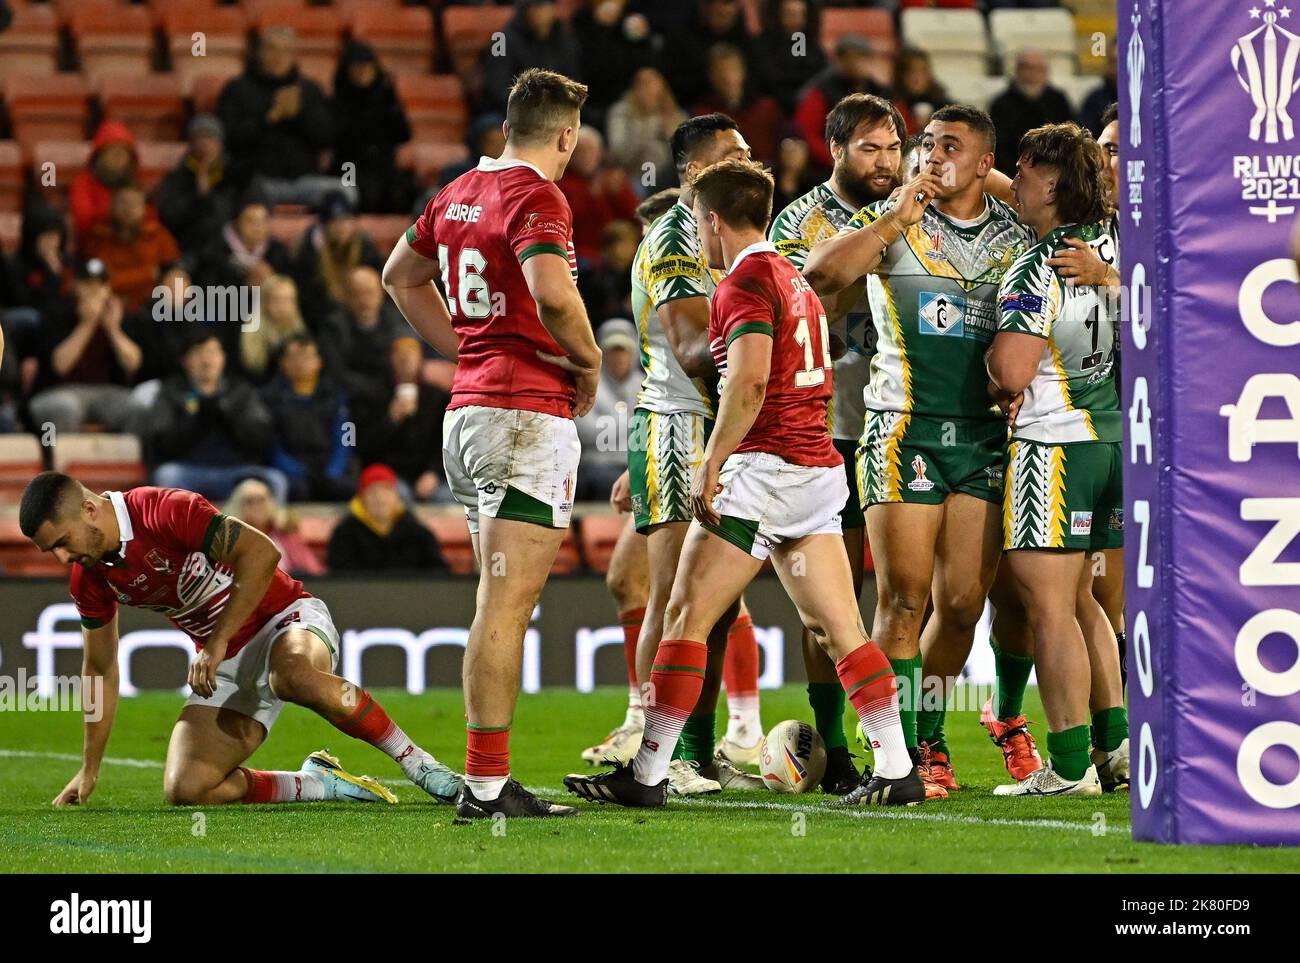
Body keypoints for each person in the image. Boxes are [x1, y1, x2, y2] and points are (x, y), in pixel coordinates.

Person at [565, 159, 921, 808]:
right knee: (839, 629)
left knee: (684, 613)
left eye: (697, 221)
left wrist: (713, 458)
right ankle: (897, 766)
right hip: (815, 473)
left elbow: (751, 381)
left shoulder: (742, 284)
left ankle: (646, 775)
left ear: (713, 221)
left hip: (762, 472)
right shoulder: (792, 275)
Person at [381, 68, 601, 819]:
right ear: (565, 134)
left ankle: (489, 779)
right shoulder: (539, 196)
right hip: (522, 417)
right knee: (505, 607)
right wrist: (590, 359)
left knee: (497, 602)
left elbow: (399, 277)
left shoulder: (455, 193)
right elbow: (550, 291)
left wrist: (466, 350)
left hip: (470, 412)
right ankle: (484, 786)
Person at [802, 105, 1033, 798]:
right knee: (904, 599)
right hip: (903, 429)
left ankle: (928, 733)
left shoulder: (1015, 234)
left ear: (985, 157)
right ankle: (900, 756)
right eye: (926, 143)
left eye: (951, 145)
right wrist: (891, 219)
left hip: (986, 434)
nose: (933, 155)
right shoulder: (898, 219)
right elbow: (818, 275)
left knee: (961, 603)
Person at [20, 472, 460, 808]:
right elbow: (99, 668)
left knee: (292, 676)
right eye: (50, 552)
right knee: (187, 788)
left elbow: (263, 553)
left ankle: (416, 761)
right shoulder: (90, 576)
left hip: (287, 619)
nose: (62, 558)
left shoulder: (163, 510)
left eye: (62, 542)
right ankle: (317, 783)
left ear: (90, 510)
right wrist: (89, 768)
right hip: (228, 659)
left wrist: (214, 644)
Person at [618, 114, 765, 792]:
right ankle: (655, 753)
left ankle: (697, 753)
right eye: (731, 154)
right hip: (679, 427)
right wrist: (765, 360)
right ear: (694, 172)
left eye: (747, 151)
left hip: (716, 428)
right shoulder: (678, 236)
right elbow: (685, 347)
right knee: (675, 601)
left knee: (717, 604)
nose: (747, 160)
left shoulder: (728, 238)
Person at [986, 122, 1127, 796]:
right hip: (1114, 443)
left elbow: (1014, 372)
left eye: (1026, 167)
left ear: (1053, 182)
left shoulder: (1037, 262)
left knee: (1048, 610)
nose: (1017, 178)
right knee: (1085, 601)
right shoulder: (1114, 244)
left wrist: (990, 367)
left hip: (1053, 447)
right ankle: (1115, 746)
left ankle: (1070, 768)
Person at [769, 93, 903, 794]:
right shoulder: (798, 222)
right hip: (832, 430)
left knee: (920, 594)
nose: (884, 163)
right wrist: (874, 242)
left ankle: (915, 744)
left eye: (893, 149)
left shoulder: (920, 211)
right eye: (868, 149)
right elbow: (801, 308)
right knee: (832, 600)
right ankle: (835, 746)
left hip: (906, 420)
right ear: (836, 149)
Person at [577, 187, 676, 768]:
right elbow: (656, 388)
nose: (646, 249)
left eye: (652, 235)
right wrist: (638, 462)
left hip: (693, 452)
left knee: (684, 596)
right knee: (637, 583)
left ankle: (666, 732)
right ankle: (651, 722)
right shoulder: (657, 293)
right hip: (661, 448)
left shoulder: (690, 288)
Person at [146, 332, 289, 505]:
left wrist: (228, 417)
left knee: (276, 481)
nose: (206, 361)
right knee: (166, 476)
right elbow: (162, 443)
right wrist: (198, 421)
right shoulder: (171, 392)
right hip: (189, 470)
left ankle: (274, 533)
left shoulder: (241, 392)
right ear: (185, 360)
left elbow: (262, 438)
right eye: (198, 353)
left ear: (223, 358)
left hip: (237, 472)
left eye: (212, 353)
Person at [216, 26, 338, 207]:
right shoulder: (237, 89)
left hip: (304, 182)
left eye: (286, 51)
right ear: (259, 53)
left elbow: (326, 138)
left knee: (346, 193)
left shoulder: (310, 90)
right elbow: (229, 139)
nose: (279, 57)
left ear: (294, 56)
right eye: (272, 49)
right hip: (257, 181)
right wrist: (269, 117)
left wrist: (301, 114)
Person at [26, 257, 141, 434]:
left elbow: (133, 363)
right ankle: (60, 461)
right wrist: (87, 324)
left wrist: (112, 329)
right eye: (87, 285)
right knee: (65, 409)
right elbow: (60, 366)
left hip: (106, 392)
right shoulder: (56, 311)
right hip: (57, 392)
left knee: (137, 408)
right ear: (76, 286)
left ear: (108, 288)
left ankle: (123, 462)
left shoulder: (117, 315)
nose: (93, 292)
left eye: (99, 286)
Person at [354, 336, 451, 502]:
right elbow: (362, 443)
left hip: (428, 473)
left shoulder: (437, 397)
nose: (405, 360)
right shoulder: (374, 396)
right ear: (391, 360)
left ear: (421, 359)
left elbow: (447, 442)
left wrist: (435, 473)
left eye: (410, 355)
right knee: (399, 495)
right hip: (390, 472)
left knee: (449, 496)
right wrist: (390, 420)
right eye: (400, 355)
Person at [261, 333, 355, 502]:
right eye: (293, 357)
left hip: (329, 465)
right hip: (294, 469)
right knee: (297, 489)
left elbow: (347, 438)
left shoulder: (336, 396)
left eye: (306, 357)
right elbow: (270, 445)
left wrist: (333, 471)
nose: (299, 363)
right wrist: (299, 471)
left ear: (318, 362)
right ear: (283, 363)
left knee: (344, 487)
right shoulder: (269, 398)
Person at [331, 40, 413, 214]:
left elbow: (404, 135)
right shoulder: (338, 102)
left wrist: (391, 101)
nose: (363, 72)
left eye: (367, 67)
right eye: (357, 67)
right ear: (347, 70)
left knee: (402, 194)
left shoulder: (386, 98)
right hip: (348, 167)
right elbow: (340, 140)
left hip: (382, 166)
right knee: (357, 194)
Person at [794, 35, 895, 173]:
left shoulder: (882, 93)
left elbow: (901, 130)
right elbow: (805, 133)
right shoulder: (822, 92)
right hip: (830, 168)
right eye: (850, 58)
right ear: (839, 60)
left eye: (861, 57)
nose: (856, 63)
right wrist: (839, 158)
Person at [81, 184, 182, 314]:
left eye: (135, 204)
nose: (128, 209)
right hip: (108, 306)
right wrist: (148, 274)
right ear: (112, 206)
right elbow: (99, 281)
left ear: (144, 208)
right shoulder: (98, 237)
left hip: (153, 307)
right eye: (123, 202)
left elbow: (173, 269)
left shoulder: (157, 235)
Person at [326, 464, 445, 572]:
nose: (380, 498)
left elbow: (439, 574)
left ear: (396, 495)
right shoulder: (345, 534)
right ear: (361, 498)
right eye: (372, 491)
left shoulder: (418, 533)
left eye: (386, 490)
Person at [289, 190, 385, 323]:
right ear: (324, 225)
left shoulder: (364, 246)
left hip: (362, 314)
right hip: (322, 318)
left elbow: (379, 284)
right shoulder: (308, 252)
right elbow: (306, 298)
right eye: (336, 222)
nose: (342, 227)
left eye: (346, 221)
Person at [575, 319, 643, 501]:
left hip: (638, 465)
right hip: (596, 466)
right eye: (613, 351)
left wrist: (607, 424)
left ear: (634, 352)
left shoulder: (647, 385)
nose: (618, 358)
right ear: (601, 353)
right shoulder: (587, 384)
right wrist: (633, 426)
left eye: (624, 351)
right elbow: (585, 433)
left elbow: (657, 433)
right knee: (600, 480)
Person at [155, 114, 240, 254]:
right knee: (177, 276)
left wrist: (207, 194)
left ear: (221, 144)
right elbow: (170, 216)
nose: (205, 144)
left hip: (228, 252)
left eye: (211, 138)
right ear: (191, 144)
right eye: (200, 138)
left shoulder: (235, 175)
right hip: (187, 248)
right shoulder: (177, 177)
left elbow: (237, 216)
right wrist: (198, 195)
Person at [558, 128, 641, 267]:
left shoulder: (613, 179)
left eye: (590, 150)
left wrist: (619, 194)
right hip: (584, 255)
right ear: (570, 154)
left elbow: (637, 217)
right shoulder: (562, 184)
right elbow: (573, 224)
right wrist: (593, 196)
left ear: (600, 154)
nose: (585, 156)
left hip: (621, 251)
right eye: (580, 151)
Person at [691, 44, 786, 164]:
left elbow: (787, 134)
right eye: (720, 71)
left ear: (743, 72)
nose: (727, 77)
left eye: (732, 69)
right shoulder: (703, 115)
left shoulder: (766, 107)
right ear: (711, 76)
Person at [482, 0, 581, 113]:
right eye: (538, 6)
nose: (544, 12)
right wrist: (530, 109)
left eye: (548, 5)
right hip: (507, 112)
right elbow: (496, 88)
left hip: (555, 113)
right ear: (526, 9)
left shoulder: (563, 37)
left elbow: (574, 81)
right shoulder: (500, 39)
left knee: (585, 128)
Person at [570, 0, 656, 127]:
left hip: (630, 97)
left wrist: (643, 38)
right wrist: (602, 27)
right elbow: (591, 67)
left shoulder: (633, 19)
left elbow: (647, 63)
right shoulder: (582, 21)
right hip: (595, 102)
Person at [988, 50, 1075, 175]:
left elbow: (1071, 139)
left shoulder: (1059, 100)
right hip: (1013, 174)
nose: (1032, 74)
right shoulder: (1001, 104)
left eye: (1038, 69)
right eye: (1027, 68)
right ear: (1017, 71)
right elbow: (997, 147)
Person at [194, 189, 292, 295]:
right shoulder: (217, 249)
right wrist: (244, 284)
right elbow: (206, 292)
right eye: (250, 220)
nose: (257, 227)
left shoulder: (276, 251)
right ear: (237, 222)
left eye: (262, 220)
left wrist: (273, 281)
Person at [605, 67, 686, 192]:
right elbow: (619, 154)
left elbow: (687, 152)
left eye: (652, 84)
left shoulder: (675, 114)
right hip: (633, 175)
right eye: (642, 84)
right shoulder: (621, 113)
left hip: (670, 178)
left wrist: (669, 134)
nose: (647, 89)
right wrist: (646, 128)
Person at [225, 477, 324, 577]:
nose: (257, 506)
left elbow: (313, 570)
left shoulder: (286, 532)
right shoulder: (233, 540)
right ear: (237, 507)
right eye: (249, 501)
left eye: (261, 499)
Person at [68, 121, 138, 242]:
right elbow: (84, 221)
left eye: (123, 153)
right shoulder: (83, 184)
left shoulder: (134, 184)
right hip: (95, 247)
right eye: (113, 152)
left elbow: (148, 217)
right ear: (99, 156)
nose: (118, 159)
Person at [756, 0, 827, 115]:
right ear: (778, 15)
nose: (796, 19)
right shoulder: (763, 44)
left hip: (807, 107)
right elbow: (769, 79)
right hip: (776, 107)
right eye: (790, 14)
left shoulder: (810, 45)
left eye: (801, 14)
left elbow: (820, 75)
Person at [894, 46, 950, 133]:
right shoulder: (892, 107)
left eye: (922, 71)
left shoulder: (945, 106)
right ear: (901, 75)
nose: (917, 78)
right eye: (911, 71)